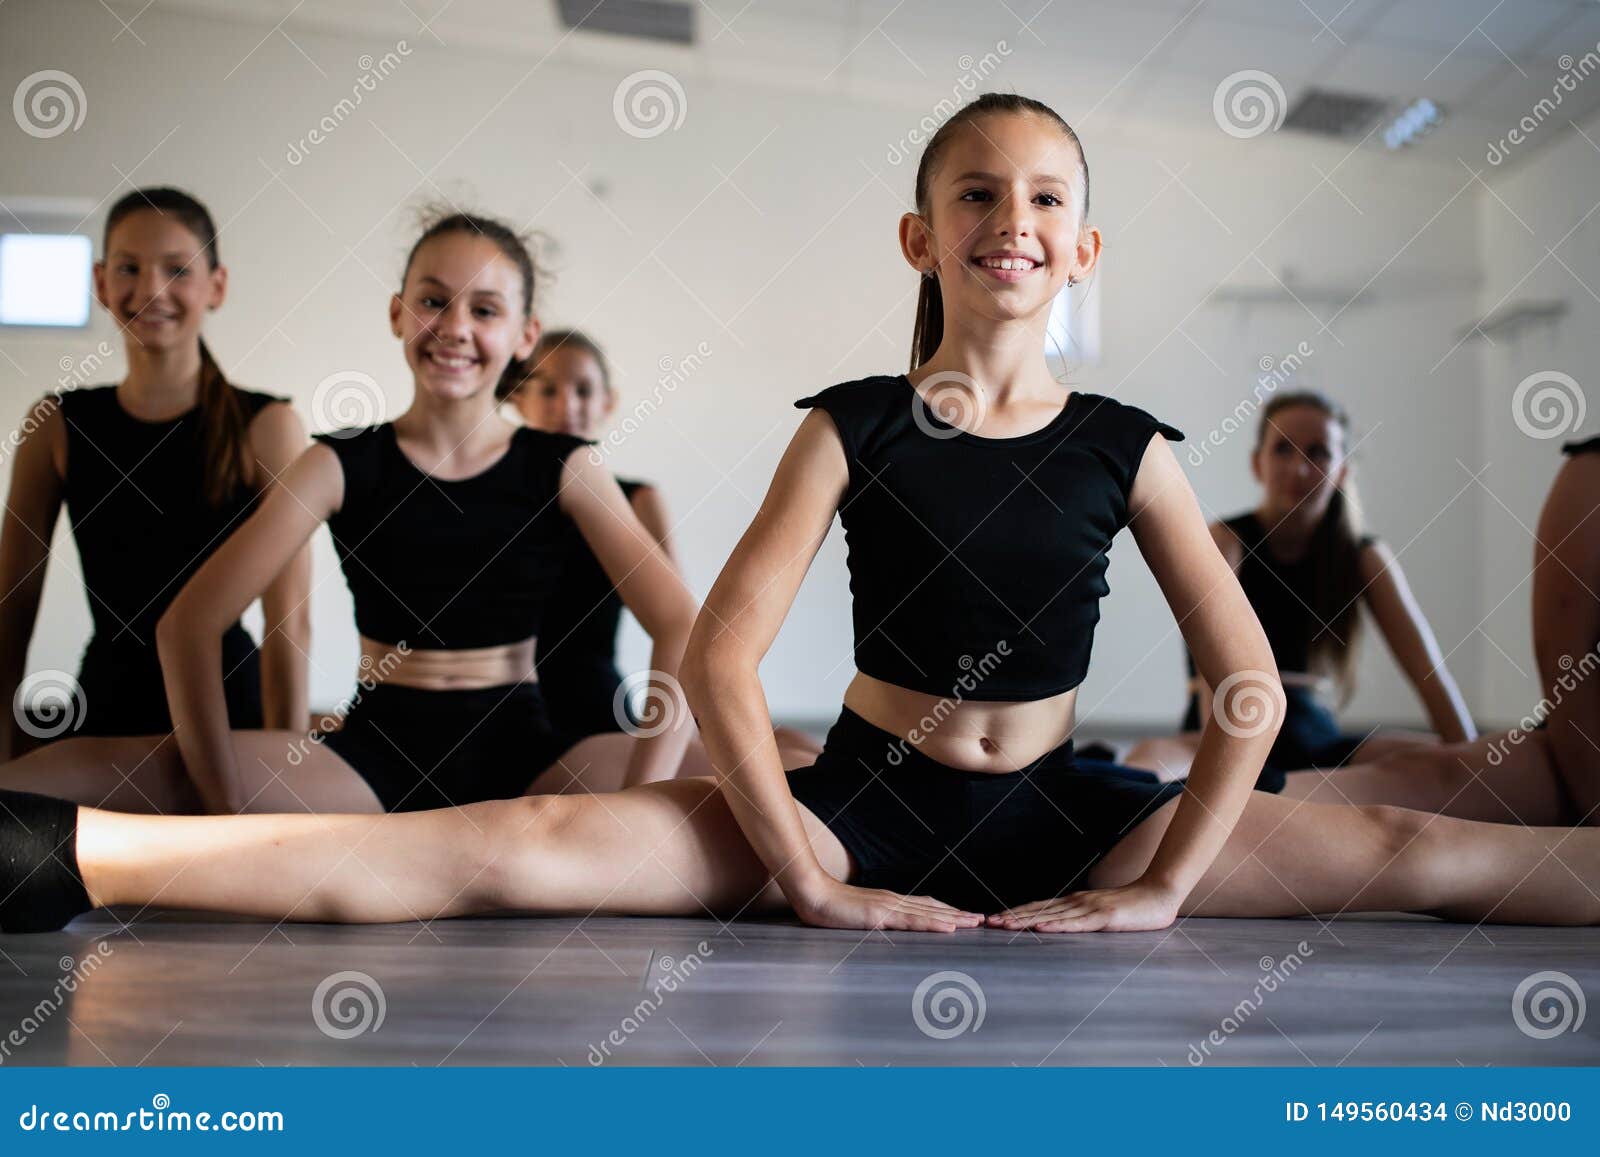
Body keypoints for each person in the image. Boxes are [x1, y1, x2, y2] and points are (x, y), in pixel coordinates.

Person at [3, 95, 1595, 938]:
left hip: (1077, 810)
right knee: (510, 848)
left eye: (1046, 198)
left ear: (1086, 250)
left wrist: (1170, 881)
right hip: (866, 800)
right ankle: (78, 856)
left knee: (1409, 846)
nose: (1011, 220)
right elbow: (718, 659)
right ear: (924, 231)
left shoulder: (1129, 443)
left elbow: (1246, 683)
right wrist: (807, 868)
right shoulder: (853, 423)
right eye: (977, 193)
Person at [0, 210, 696, 816]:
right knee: (137, 771)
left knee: (742, 770)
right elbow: (188, 624)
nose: (453, 328)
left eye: (484, 310)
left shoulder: (567, 465)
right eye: (432, 301)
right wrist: (226, 807)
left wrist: (640, 806)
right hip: (374, 751)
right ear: (398, 313)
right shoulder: (340, 461)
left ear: (523, 334)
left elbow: (681, 624)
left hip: (524, 745)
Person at [0, 188, 309, 755]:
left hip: (230, 716)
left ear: (216, 286)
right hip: (105, 713)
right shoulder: (56, 425)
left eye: (177, 269)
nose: (150, 290)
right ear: (100, 282)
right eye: (128, 268)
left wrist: (285, 766)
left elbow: (289, 623)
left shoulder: (267, 425)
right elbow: (12, 606)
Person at [501, 329, 821, 771]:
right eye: (548, 389)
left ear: (607, 403)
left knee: (800, 751)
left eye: (583, 390)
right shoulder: (496, 498)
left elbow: (683, 629)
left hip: (597, 704)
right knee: (786, 763)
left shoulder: (636, 499)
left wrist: (691, 724)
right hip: (512, 709)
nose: (567, 405)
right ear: (517, 397)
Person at [1123, 391, 1476, 789]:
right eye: (1283, 450)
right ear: (1258, 464)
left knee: (1440, 760)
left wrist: (1475, 764)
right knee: (1143, 767)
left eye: (1319, 453)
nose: (1300, 469)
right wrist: (1222, 778)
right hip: (1221, 726)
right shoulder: (1227, 541)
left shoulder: (1364, 557)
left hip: (1312, 735)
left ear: (1343, 470)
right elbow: (1214, 675)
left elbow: (1430, 673)